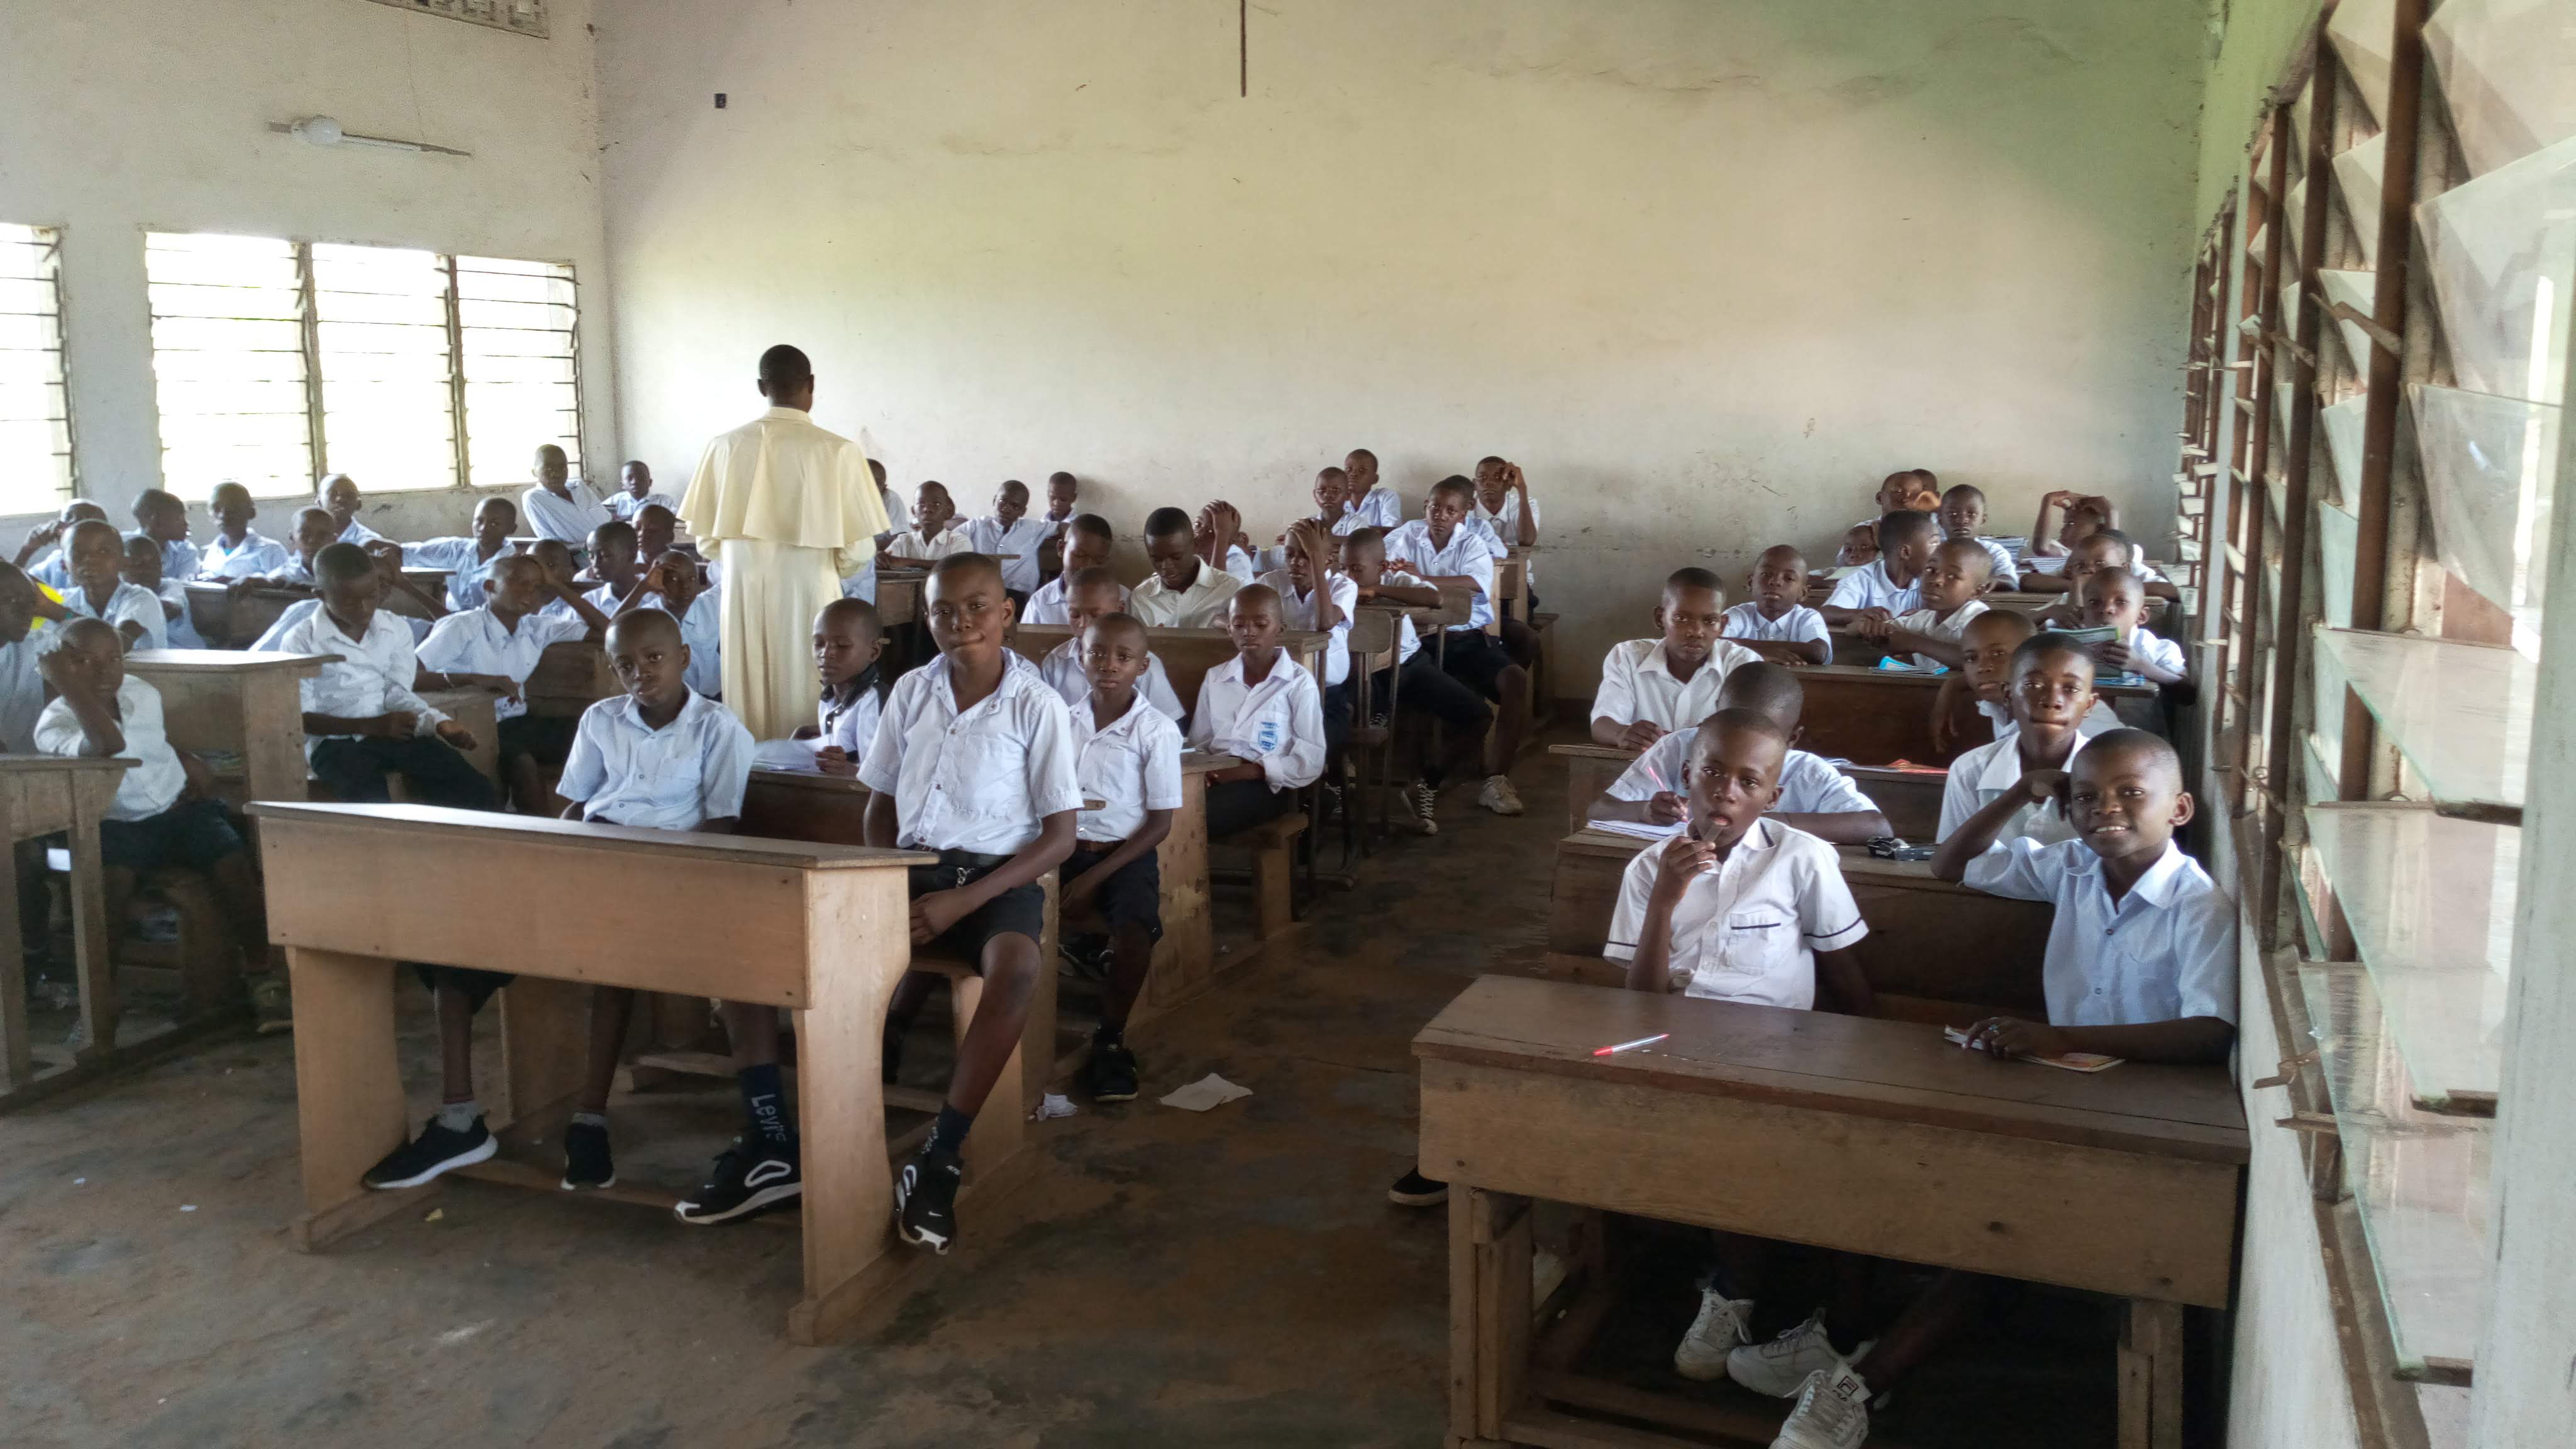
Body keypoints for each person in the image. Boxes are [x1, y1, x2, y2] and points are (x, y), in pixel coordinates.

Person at [1710, 731, 2241, 1449]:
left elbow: (2208, 1031)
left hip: (2150, 1118)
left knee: (1996, 1219)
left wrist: (2060, 1039)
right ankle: (1844, 1334)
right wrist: (2023, 796)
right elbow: (1948, 864)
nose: (2103, 810)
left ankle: (1863, 1385)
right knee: (1875, 1147)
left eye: (2129, 795)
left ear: (2178, 809)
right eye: (2085, 796)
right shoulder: (2071, 869)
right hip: (2059, 1088)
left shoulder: (2197, 905)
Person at [849, 553, 1079, 1252]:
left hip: (996, 879)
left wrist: (961, 902)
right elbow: (879, 802)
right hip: (914, 871)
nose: (961, 623)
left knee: (1015, 970)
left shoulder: (1037, 706)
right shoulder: (912, 692)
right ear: (927, 618)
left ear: (1007, 613)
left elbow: (1061, 836)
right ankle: (830, 1130)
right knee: (838, 968)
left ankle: (942, 1154)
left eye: (976, 606)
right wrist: (889, 877)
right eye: (943, 610)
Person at [553, 609, 756, 1192]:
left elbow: (721, 825)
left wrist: (666, 878)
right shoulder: (600, 719)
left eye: (654, 658)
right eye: (624, 664)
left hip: (674, 871)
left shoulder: (718, 728)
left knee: (614, 974)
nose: (639, 673)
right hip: (601, 861)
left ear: (685, 658)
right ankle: (587, 1115)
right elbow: (576, 803)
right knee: (595, 971)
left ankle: (760, 1124)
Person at [35, 618, 270, 1006]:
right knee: (110, 886)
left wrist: (186, 761)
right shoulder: (53, 725)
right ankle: (98, 1000)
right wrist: (67, 685)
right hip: (118, 824)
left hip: (178, 809)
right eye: (86, 662)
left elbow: (132, 743)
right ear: (66, 667)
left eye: (114, 659)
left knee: (233, 862)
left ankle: (263, 974)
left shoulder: (139, 693)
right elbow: (108, 744)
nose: (105, 671)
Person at [677, 345, 889, 740]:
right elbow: (858, 551)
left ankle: (751, 781)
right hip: (811, 588)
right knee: (811, 683)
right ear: (811, 385)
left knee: (748, 695)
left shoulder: (723, 447)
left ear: (762, 387)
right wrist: (826, 566)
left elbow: (707, 543)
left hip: (743, 594)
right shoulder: (838, 451)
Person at [1058, 611, 1184, 1103]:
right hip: (1063, 846)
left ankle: (1110, 1039)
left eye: (1123, 657)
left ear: (1143, 665)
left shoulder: (1155, 731)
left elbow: (1160, 824)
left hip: (1125, 853)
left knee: (1135, 932)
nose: (1108, 665)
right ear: (1080, 656)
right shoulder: (1062, 721)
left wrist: (1091, 881)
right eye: (1096, 653)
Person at [271, 543, 493, 808]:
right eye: (350, 601)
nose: (364, 609)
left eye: (372, 596)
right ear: (321, 594)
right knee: (374, 806)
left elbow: (398, 693)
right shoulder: (300, 640)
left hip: (389, 732)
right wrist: (368, 726)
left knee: (475, 789)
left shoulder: (395, 629)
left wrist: (438, 724)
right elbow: (300, 718)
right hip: (333, 745)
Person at [1586, 664, 1891, 844]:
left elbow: (1877, 827)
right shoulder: (1678, 748)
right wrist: (1645, 812)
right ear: (1715, 712)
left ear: (1791, 739)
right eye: (1731, 725)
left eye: (1764, 736)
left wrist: (1761, 821)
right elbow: (1600, 809)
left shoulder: (1806, 771)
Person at [414, 552, 611, 813]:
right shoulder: (462, 627)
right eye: (519, 582)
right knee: (521, 762)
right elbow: (409, 675)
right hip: (475, 726)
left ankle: (601, 818)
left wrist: (558, 586)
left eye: (537, 586)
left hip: (519, 723)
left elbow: (609, 632)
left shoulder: (538, 627)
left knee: (598, 734)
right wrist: (474, 679)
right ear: (490, 586)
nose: (529, 592)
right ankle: (543, 839)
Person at [1384, 476, 1528, 816]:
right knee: (1418, 694)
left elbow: (1475, 584)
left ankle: (1496, 780)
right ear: (1425, 507)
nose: (1440, 515)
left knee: (1515, 680)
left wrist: (1420, 578)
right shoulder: (1405, 535)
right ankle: (1420, 779)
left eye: (1450, 510)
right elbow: (1386, 569)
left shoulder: (1473, 543)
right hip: (1422, 641)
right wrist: (1413, 580)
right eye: (1435, 507)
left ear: (1464, 514)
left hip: (1467, 638)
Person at [1341, 527, 1492, 836]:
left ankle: (1429, 782)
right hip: (1368, 671)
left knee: (1478, 715)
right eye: (1343, 567)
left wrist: (1379, 591)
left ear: (1381, 568)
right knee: (1339, 713)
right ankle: (1339, 787)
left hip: (1411, 665)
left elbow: (1433, 597)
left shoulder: (1396, 581)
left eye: (1356, 568)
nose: (1348, 575)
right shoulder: (1339, 587)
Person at [1187, 586, 1327, 838]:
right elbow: (1200, 742)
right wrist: (1206, 774)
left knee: (1196, 817)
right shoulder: (1216, 678)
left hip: (1270, 785)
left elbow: (1311, 759)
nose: (1249, 632)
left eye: (1261, 624)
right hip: (1216, 776)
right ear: (1229, 628)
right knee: (1166, 808)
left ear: (1280, 629)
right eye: (1239, 625)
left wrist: (1250, 771)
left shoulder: (1298, 683)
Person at [1935, 632, 2099, 845]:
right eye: (2033, 685)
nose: (2052, 701)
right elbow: (1950, 861)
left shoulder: (2109, 774)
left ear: (2089, 705)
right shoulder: (1970, 770)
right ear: (2008, 695)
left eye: (2070, 689)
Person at [1591, 567, 1757, 749]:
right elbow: (1602, 723)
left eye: (1709, 621)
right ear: (1660, 618)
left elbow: (1750, 733)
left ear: (1722, 626)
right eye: (1681, 618)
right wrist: (1621, 733)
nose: (1696, 632)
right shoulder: (1628, 657)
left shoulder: (1743, 664)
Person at [1259, 518, 1357, 754]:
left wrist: (1316, 561)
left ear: (1328, 560)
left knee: (1308, 752)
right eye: (1290, 554)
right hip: (1278, 693)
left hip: (1327, 697)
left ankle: (1318, 787)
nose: (1296, 563)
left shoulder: (1343, 586)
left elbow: (1325, 623)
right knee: (1269, 748)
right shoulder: (1271, 583)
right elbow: (1229, 615)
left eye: (1306, 556)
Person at [1040, 568, 1185, 721]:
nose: (1083, 624)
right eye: (1075, 615)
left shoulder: (1141, 663)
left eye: (1095, 615)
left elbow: (1170, 721)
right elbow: (1048, 720)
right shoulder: (1056, 661)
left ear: (1120, 609)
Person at [1849, 538, 1990, 669]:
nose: (1936, 580)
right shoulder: (1924, 619)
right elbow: (1854, 630)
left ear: (1976, 592)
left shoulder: (1981, 620)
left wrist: (1913, 643)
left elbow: (1977, 660)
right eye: (1931, 570)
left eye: (1952, 576)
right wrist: (1868, 627)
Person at [790, 597, 887, 772]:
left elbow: (879, 776)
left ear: (874, 652)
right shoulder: (829, 695)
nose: (826, 654)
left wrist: (847, 769)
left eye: (842, 645)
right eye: (819, 644)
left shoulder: (872, 700)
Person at [52, 519, 165, 652]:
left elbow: (117, 645)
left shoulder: (142, 599)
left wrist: (57, 613)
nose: (90, 559)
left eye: (103, 551)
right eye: (77, 553)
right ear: (64, 565)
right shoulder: (61, 600)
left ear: (124, 562)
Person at [399, 496, 522, 614]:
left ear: (512, 529)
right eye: (479, 521)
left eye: (494, 524)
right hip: (451, 621)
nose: (483, 528)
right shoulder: (456, 549)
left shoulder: (514, 566)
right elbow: (405, 552)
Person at [1130, 506, 1242, 627]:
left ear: (1195, 545)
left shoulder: (1230, 590)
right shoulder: (1142, 598)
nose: (1166, 567)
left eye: (1176, 557)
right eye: (1156, 559)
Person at [1818, 511, 1934, 628]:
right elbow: (1825, 613)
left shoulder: (1931, 580)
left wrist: (1926, 616)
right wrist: (1858, 614)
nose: (1938, 551)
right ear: (1905, 552)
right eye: (1934, 543)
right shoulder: (1862, 579)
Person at [1721, 546, 1831, 667]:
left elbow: (1819, 652)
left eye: (1788, 578)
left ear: (1803, 593)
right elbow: (1711, 644)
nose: (1775, 582)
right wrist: (1762, 652)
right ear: (1750, 583)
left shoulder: (1807, 617)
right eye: (1766, 574)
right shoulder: (1737, 615)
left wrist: (1737, 644)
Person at [2078, 567, 2186, 685]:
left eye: (2121, 602)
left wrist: (2140, 665)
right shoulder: (2071, 646)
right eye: (2094, 602)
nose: (2106, 609)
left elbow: (2186, 692)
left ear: (2141, 616)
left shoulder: (2159, 650)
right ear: (2083, 614)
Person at [1023, 514, 1121, 625]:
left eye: (1099, 560)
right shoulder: (1040, 602)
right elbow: (1027, 641)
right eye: (1079, 555)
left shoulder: (1122, 599)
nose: (1088, 566)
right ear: (1061, 549)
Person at [966, 480, 1050, 602]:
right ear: (994, 500)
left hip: (1017, 595)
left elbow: (1064, 527)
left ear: (1023, 512)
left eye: (1015, 506)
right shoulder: (977, 526)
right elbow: (951, 535)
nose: (1006, 509)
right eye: (1002, 502)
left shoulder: (1032, 528)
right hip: (981, 592)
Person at [121, 535, 206, 650]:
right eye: (138, 564)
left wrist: (118, 639)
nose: (147, 571)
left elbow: (170, 608)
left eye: (155, 565)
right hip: (144, 661)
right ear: (121, 567)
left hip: (186, 659)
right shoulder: (118, 594)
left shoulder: (170, 586)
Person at [519, 445, 610, 545]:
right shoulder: (534, 498)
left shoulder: (579, 486)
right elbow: (550, 542)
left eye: (562, 467)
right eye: (548, 469)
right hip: (583, 554)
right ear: (534, 472)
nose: (556, 474)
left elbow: (606, 518)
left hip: (614, 542)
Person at [1936, 484, 2019, 589]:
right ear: (1940, 520)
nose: (1962, 521)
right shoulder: (1932, 550)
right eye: (1953, 514)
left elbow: (2011, 581)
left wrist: (1994, 580)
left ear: (1983, 520)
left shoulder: (1993, 551)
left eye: (1972, 515)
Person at [197, 484, 288, 580]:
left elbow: (283, 590)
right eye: (216, 508)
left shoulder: (271, 550)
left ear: (251, 512)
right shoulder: (212, 552)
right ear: (209, 514)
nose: (224, 514)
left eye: (233, 507)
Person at [0, 565, 47, 751]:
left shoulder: (34, 643)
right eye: (12, 600)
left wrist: (56, 611)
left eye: (31, 601)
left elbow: (118, 640)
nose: (26, 611)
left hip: (27, 771)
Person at [17, 500, 109, 589]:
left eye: (82, 521)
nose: (67, 526)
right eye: (67, 518)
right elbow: (10, 586)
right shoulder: (55, 563)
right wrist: (27, 550)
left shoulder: (111, 563)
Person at [128, 489, 201, 584]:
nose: (186, 523)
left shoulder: (185, 551)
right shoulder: (121, 546)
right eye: (179, 518)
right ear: (156, 520)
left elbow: (185, 587)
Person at [2026, 489, 2117, 562]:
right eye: (2065, 523)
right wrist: (2049, 500)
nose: (2062, 530)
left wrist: (2111, 513)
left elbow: (2114, 554)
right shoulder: (2066, 552)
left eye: (2071, 523)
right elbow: (2042, 548)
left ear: (2098, 530)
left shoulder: (2101, 554)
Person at [1341, 448, 1404, 529]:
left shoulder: (1385, 497)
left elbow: (1392, 533)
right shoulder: (1337, 501)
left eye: (1362, 470)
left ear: (1375, 479)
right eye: (1349, 469)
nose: (1353, 474)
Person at [318, 474, 383, 547]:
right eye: (333, 493)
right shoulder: (307, 540)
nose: (340, 499)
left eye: (349, 495)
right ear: (319, 502)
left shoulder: (372, 542)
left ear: (358, 504)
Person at [604, 459, 678, 522]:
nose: (635, 482)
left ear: (650, 482)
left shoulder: (663, 501)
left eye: (641, 477)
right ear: (623, 485)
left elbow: (676, 519)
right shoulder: (616, 501)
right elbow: (598, 515)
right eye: (629, 478)